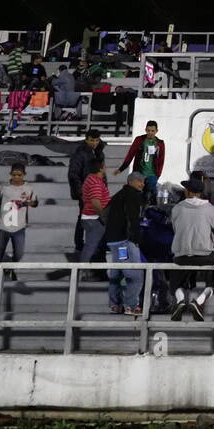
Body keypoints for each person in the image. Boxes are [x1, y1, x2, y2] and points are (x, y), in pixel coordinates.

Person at [170, 177, 214, 321]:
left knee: (176, 279)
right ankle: (199, 301)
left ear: (188, 191)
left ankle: (180, 300)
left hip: (182, 255)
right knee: (213, 279)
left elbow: (175, 229)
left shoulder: (177, 208)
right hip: (205, 255)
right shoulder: (210, 209)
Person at [0, 163, 38, 289]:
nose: (16, 177)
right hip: (3, 226)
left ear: (24, 175)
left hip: (19, 226)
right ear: (10, 174)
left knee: (19, 253)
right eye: (14, 175)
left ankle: (10, 268)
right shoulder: (3, 187)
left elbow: (35, 203)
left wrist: (30, 203)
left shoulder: (29, 187)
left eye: (19, 175)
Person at [102, 171, 147, 315]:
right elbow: (133, 218)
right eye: (139, 181)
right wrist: (136, 238)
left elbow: (104, 214)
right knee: (134, 274)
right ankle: (131, 306)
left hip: (114, 242)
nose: (142, 184)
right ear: (130, 181)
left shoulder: (118, 195)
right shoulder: (133, 195)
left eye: (143, 181)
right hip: (125, 242)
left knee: (118, 271)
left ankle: (115, 304)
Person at [68, 130, 106, 254]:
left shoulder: (99, 153)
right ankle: (79, 244)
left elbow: (102, 173)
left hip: (98, 191)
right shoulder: (80, 154)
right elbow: (74, 174)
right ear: (86, 140)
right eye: (92, 140)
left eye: (96, 140)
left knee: (97, 216)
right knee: (83, 217)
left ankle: (97, 243)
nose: (94, 143)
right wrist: (80, 192)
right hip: (86, 192)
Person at [114, 121, 165, 204]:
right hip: (139, 173)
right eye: (148, 130)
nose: (150, 133)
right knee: (136, 195)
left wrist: (158, 174)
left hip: (152, 174)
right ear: (145, 130)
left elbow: (161, 160)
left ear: (156, 131)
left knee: (149, 196)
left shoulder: (160, 143)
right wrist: (121, 168)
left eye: (152, 131)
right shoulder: (139, 140)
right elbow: (130, 154)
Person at [77, 157, 111, 269]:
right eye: (104, 165)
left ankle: (90, 271)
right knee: (91, 246)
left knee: (93, 246)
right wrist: (104, 218)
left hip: (91, 218)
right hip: (94, 219)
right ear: (100, 168)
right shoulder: (95, 182)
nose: (106, 167)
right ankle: (82, 270)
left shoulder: (91, 179)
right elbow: (96, 202)